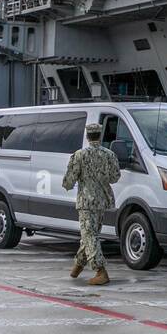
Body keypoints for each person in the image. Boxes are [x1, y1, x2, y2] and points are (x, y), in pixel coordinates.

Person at [62, 122, 121, 286]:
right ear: (99, 136)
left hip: (86, 201)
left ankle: (100, 271)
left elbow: (69, 180)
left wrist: (68, 183)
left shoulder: (80, 155)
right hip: (102, 200)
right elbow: (115, 177)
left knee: (90, 235)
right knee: (90, 234)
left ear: (88, 136)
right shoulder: (109, 154)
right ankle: (79, 265)